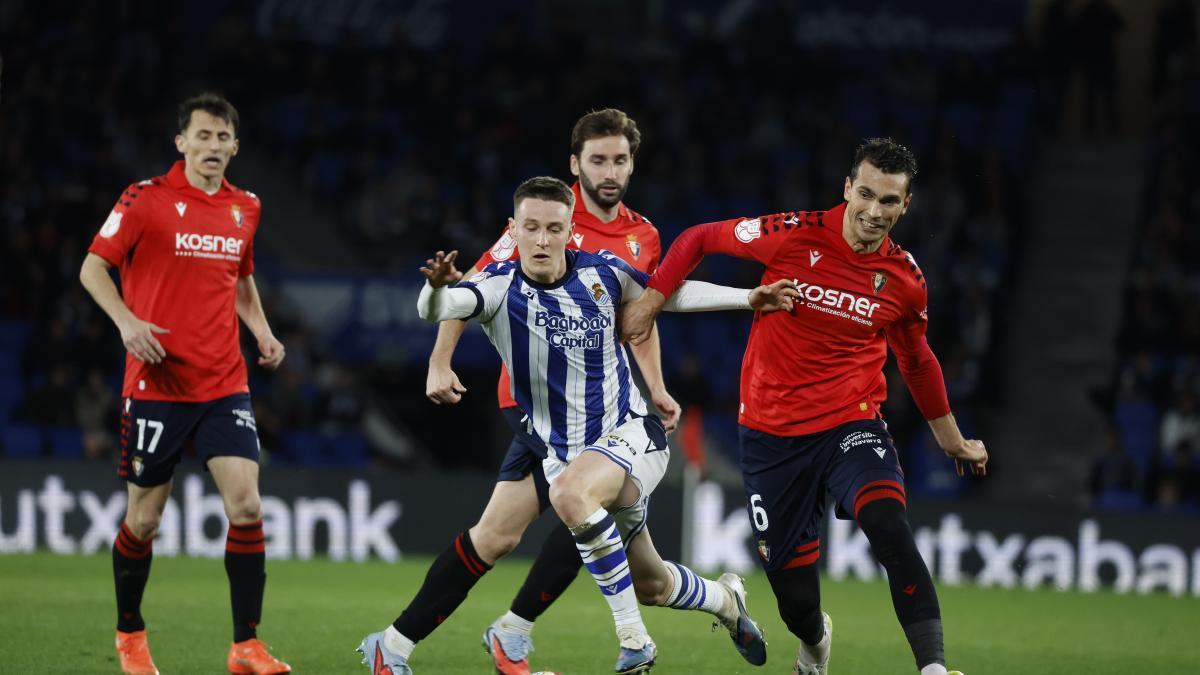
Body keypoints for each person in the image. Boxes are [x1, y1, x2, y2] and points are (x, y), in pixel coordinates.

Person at [360, 176, 793, 674]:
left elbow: (667, 295)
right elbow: (438, 307)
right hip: (559, 450)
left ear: (571, 232)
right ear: (513, 229)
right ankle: (723, 600)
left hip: (632, 436)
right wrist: (436, 288)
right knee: (646, 581)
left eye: (553, 228)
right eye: (531, 228)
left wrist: (748, 297)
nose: (541, 239)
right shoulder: (497, 289)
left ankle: (631, 640)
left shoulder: (604, 274)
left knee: (569, 495)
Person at [620, 138, 987, 675]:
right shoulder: (791, 234)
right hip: (771, 438)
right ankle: (815, 642)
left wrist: (950, 438)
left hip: (851, 423)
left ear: (906, 205)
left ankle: (933, 669)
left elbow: (917, 360)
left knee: (888, 524)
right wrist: (652, 302)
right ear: (847, 188)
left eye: (889, 201)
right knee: (796, 604)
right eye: (866, 194)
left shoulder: (904, 280)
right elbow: (701, 237)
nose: (874, 211)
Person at [391, 109, 677, 675]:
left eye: (620, 159)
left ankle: (405, 643)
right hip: (533, 404)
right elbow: (471, 286)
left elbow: (640, 316)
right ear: (576, 164)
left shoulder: (643, 236)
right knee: (577, 504)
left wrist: (657, 387)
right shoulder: (543, 220)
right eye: (598, 160)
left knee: (500, 534)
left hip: (603, 404)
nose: (610, 170)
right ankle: (514, 634)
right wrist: (439, 359)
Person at [79, 93, 291, 675]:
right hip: (156, 385)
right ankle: (130, 634)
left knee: (246, 505)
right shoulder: (145, 199)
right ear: (182, 142)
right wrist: (125, 322)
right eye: (203, 136)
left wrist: (264, 334)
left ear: (236, 147)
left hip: (224, 381)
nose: (214, 148)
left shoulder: (246, 207)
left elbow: (241, 279)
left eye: (224, 139)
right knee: (143, 521)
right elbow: (92, 266)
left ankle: (245, 645)